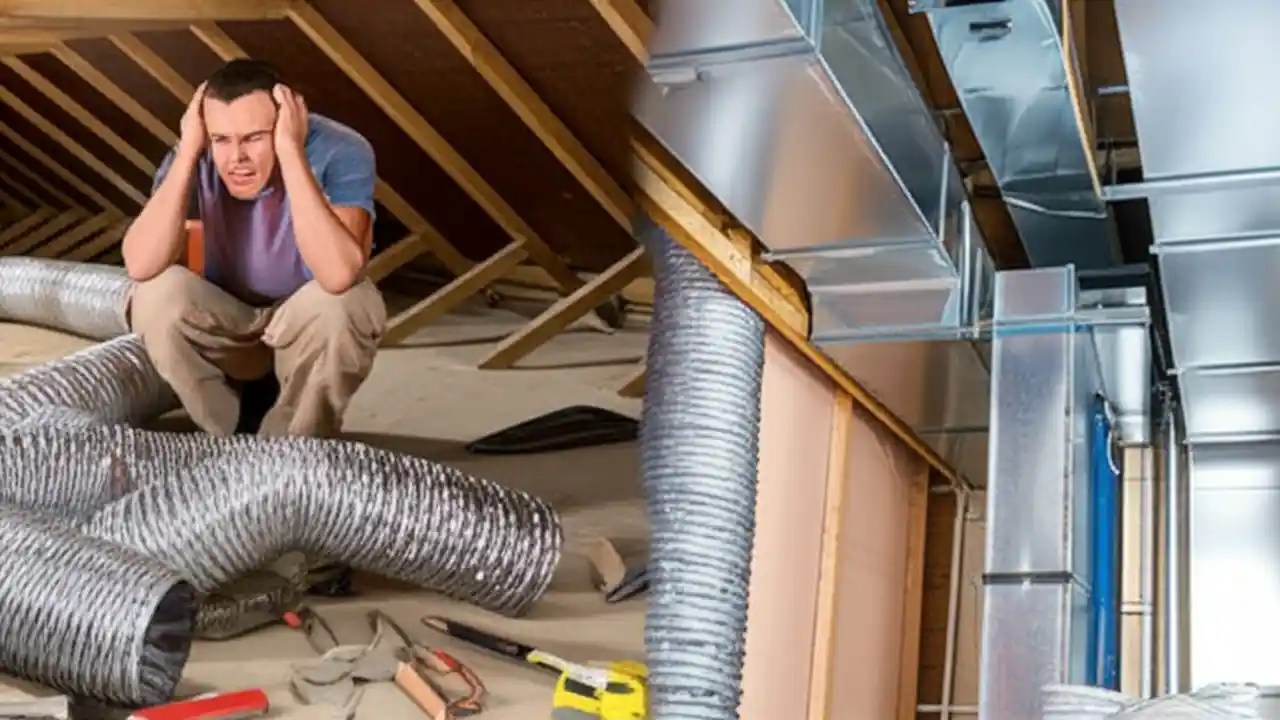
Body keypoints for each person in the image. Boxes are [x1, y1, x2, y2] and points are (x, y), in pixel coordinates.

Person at [123, 59, 386, 438]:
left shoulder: (339, 149)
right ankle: (229, 437)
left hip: (301, 322)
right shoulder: (196, 150)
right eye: (222, 140)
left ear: (286, 122)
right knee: (153, 294)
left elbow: (341, 271)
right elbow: (141, 263)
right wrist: (189, 153)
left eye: (254, 138)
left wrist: (290, 152)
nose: (236, 159)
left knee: (347, 303)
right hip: (230, 321)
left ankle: (294, 448)